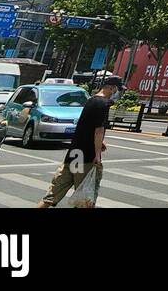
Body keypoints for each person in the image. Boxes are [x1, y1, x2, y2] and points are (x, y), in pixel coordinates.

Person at [39, 74, 119, 207]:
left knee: (51, 197)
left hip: (74, 154)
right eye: (116, 89)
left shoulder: (91, 100)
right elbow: (98, 131)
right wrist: (97, 155)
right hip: (87, 157)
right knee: (84, 200)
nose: (116, 93)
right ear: (111, 88)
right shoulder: (103, 104)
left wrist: (100, 142)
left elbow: (87, 126)